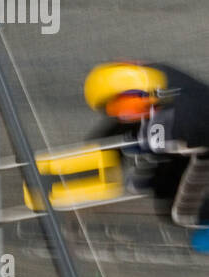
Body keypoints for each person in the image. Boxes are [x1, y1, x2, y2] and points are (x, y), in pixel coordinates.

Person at [83, 62, 209, 246]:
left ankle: (204, 219)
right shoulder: (155, 76)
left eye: (121, 108)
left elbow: (161, 141)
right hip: (184, 126)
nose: (119, 115)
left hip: (197, 140)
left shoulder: (181, 121)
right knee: (120, 136)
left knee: (179, 211)